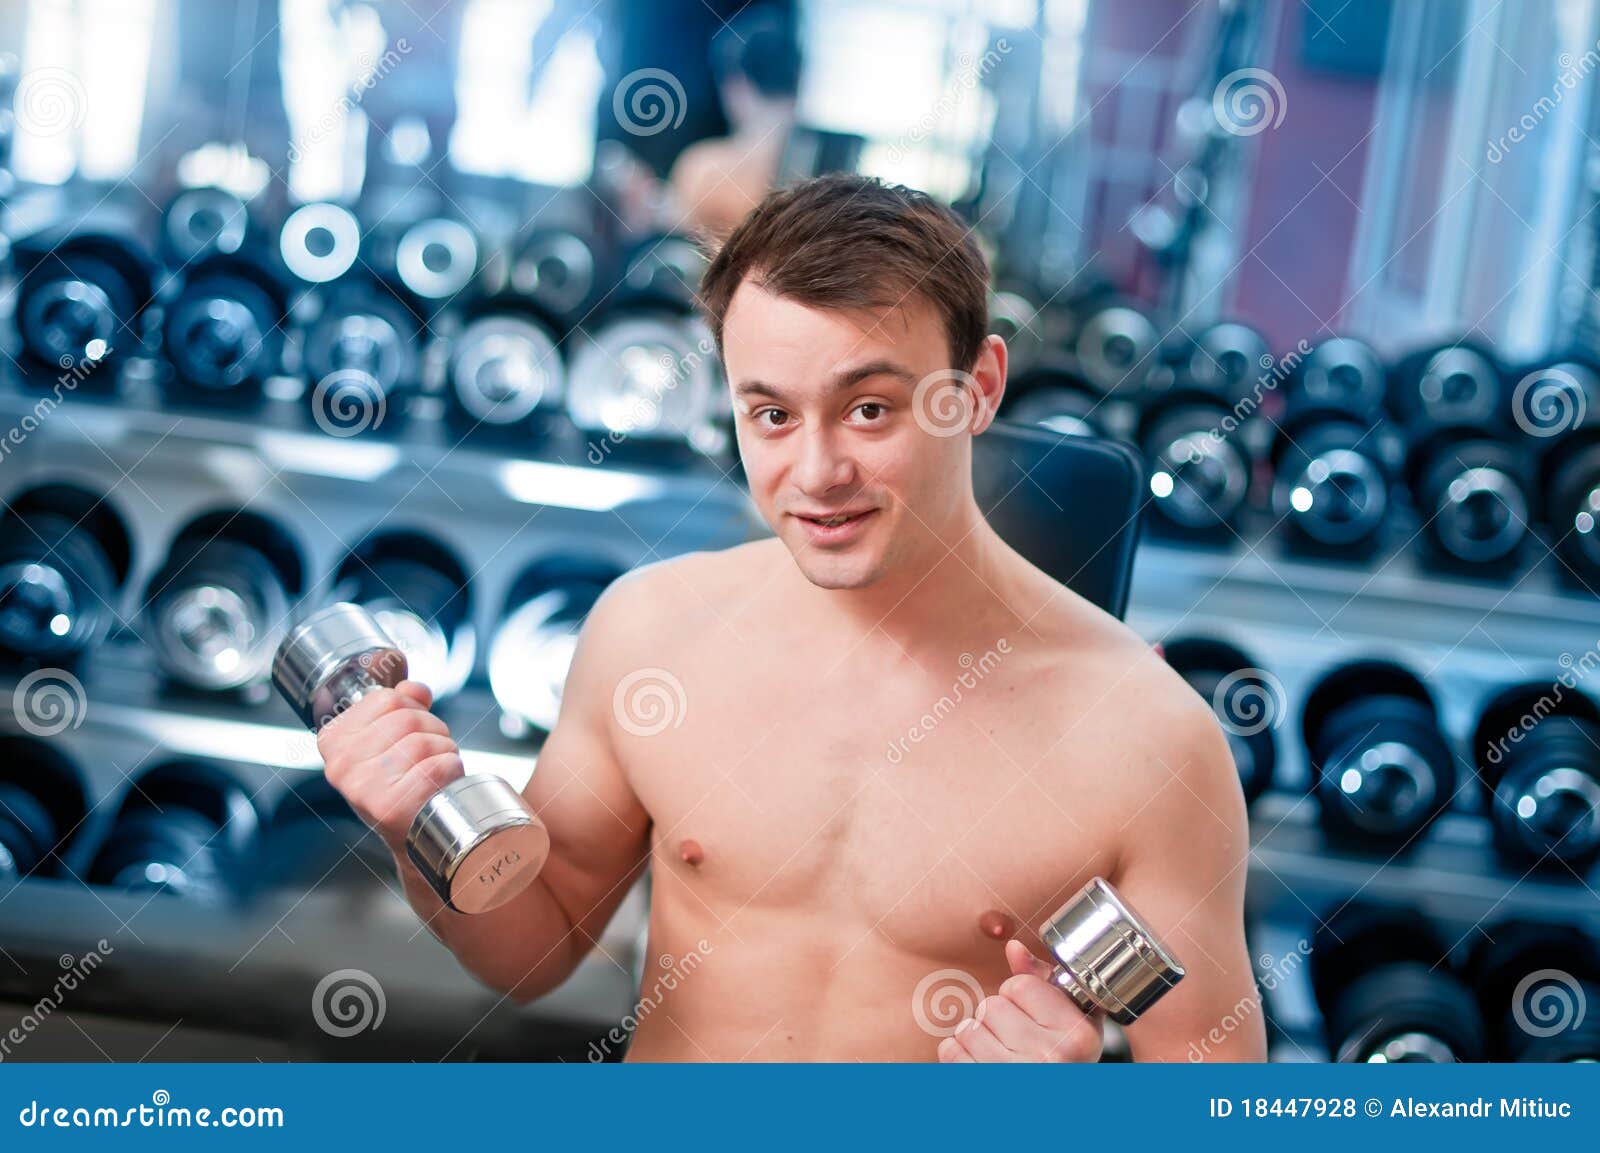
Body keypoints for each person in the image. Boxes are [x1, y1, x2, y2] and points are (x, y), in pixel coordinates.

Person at [318, 174, 1266, 1062]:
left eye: (869, 409)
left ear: (976, 389)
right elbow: (538, 948)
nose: (816, 473)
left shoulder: (1147, 739)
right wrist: (418, 827)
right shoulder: (652, 635)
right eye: (771, 415)